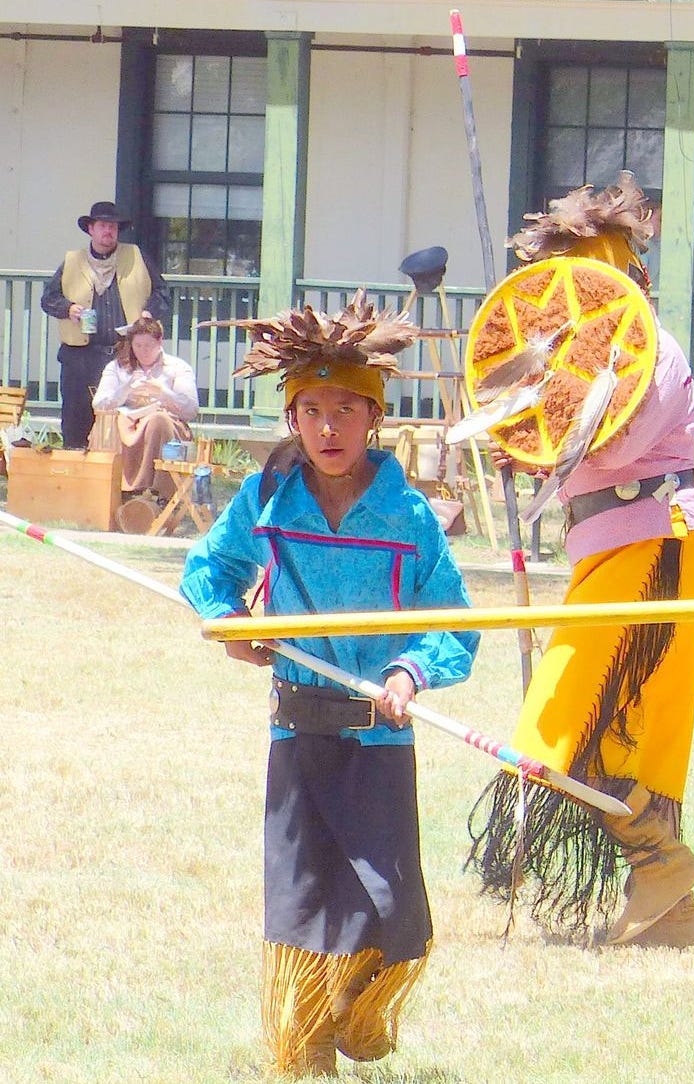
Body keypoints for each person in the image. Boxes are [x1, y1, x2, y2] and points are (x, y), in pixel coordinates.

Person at [178, 294, 478, 1076]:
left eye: (346, 410)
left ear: (373, 417)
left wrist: (412, 671)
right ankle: (303, 1044)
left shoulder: (409, 515)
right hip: (297, 733)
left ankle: (361, 1010)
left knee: (394, 914)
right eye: (311, 411)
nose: (328, 428)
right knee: (304, 907)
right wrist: (231, 627)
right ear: (293, 419)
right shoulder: (267, 500)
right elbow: (211, 570)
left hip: (379, 736)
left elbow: (452, 622)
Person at [466, 172, 694, 949]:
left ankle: (662, 863)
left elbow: (620, 441)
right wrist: (524, 431)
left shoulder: (658, 354)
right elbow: (568, 445)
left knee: (571, 717)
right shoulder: (567, 365)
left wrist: (542, 433)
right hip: (609, 544)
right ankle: (669, 909)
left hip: (658, 537)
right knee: (612, 728)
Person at [39, 200, 172, 451]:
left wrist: (148, 312)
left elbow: (162, 293)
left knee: (124, 417)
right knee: (77, 417)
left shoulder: (136, 256)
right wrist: (68, 309)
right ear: (91, 229)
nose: (108, 231)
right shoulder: (72, 260)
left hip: (124, 353)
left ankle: (122, 478)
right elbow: (48, 299)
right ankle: (76, 473)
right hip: (79, 356)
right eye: (102, 226)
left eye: (112, 226)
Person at [91, 314, 196, 498]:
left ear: (159, 342)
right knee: (115, 423)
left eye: (148, 346)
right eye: (138, 346)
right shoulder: (117, 367)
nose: (143, 351)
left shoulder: (177, 367)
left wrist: (163, 392)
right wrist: (124, 390)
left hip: (167, 426)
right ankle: (117, 489)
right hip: (127, 423)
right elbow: (98, 403)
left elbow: (191, 409)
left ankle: (154, 490)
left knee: (157, 420)